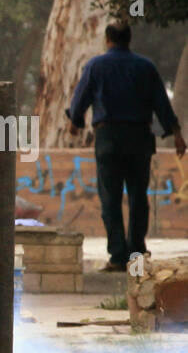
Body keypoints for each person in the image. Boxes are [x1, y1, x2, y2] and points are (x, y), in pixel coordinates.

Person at [68, 19, 185, 271]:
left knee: (109, 198)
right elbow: (161, 104)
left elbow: (80, 100)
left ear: (107, 40)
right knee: (138, 196)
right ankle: (136, 252)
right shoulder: (146, 67)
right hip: (139, 139)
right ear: (129, 40)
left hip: (107, 137)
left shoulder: (95, 66)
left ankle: (118, 256)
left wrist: (75, 122)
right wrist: (175, 133)